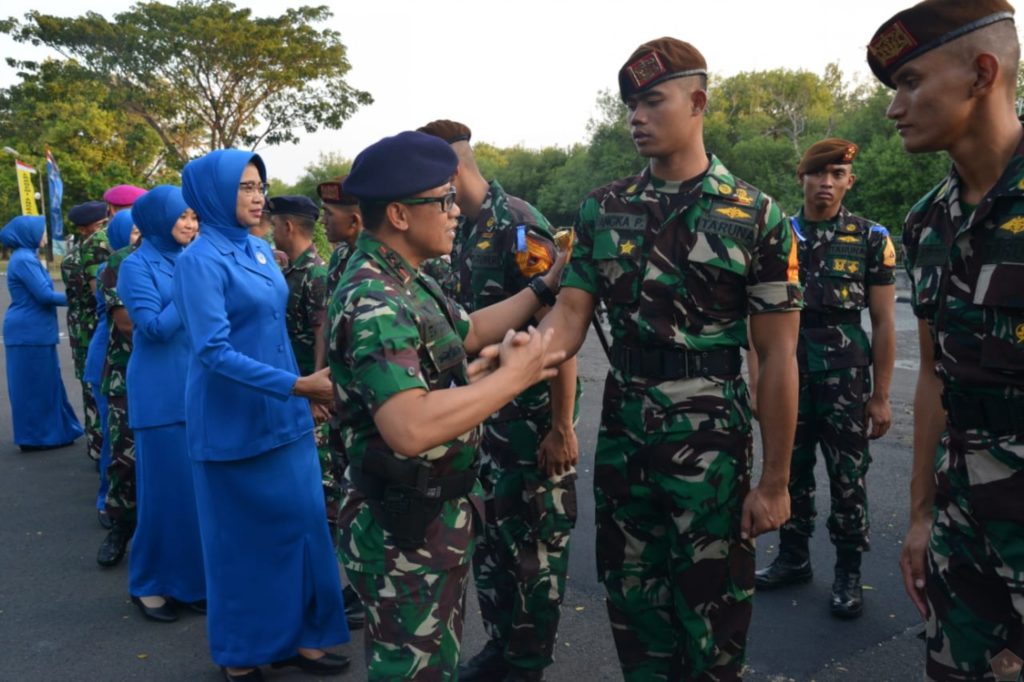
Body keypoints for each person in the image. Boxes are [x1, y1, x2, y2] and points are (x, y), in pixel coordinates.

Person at [535, 38, 804, 680]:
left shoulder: (758, 216)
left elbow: (777, 356)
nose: (636, 116)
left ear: (698, 102)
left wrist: (774, 481)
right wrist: (510, 362)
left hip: (712, 443)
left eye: (653, 100)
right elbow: (569, 317)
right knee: (633, 605)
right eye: (630, 104)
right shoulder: (605, 208)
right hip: (626, 436)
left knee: (714, 615)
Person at [328, 130, 568, 681]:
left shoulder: (407, 281)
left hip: (432, 517)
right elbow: (409, 427)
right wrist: (514, 377)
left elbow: (473, 330)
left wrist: (545, 286)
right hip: (402, 527)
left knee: (435, 664)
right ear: (399, 214)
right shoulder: (375, 298)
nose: (456, 209)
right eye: (442, 200)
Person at [867, 1, 1024, 678]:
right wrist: (921, 516)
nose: (895, 108)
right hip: (963, 521)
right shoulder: (928, 220)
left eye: (910, 83)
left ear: (981, 73)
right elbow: (933, 374)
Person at [173, 148, 350, 682]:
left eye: (260, 186)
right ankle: (241, 653)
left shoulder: (257, 250)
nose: (257, 197)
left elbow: (274, 330)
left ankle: (305, 640)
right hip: (233, 422)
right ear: (211, 194)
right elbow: (213, 351)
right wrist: (298, 385)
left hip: (284, 417)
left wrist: (304, 392)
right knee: (240, 545)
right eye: (245, 187)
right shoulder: (197, 261)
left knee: (302, 530)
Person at [418, 119, 580, 682]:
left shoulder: (518, 224)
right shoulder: (456, 230)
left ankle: (527, 662)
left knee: (534, 552)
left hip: (529, 426)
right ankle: (502, 646)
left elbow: (557, 330)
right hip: (483, 421)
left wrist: (562, 426)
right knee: (491, 548)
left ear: (451, 169)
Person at [752, 138, 896, 619]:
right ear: (802, 178)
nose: (826, 184)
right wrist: (758, 383)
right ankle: (793, 558)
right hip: (789, 371)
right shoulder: (778, 234)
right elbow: (761, 319)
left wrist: (881, 396)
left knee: (847, 478)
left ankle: (849, 571)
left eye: (837, 175)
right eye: (818, 174)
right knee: (789, 470)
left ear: (849, 181)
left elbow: (885, 321)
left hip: (845, 381)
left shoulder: (870, 237)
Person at [118, 185, 205, 623]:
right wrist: (191, 290)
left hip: (197, 388)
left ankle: (189, 583)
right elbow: (150, 328)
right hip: (159, 392)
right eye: (181, 216)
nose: (190, 224)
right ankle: (149, 584)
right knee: (162, 496)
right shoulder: (135, 267)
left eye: (193, 216)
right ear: (156, 219)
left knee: (194, 497)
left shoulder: (191, 258)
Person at [264, 195, 343, 532]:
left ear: (288, 226)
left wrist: (315, 388)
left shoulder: (315, 273)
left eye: (274, 225)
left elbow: (321, 331)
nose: (271, 232)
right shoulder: (289, 270)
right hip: (294, 383)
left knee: (321, 470)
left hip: (311, 387)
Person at [1, 215, 84, 451]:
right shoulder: (25, 260)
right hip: (29, 331)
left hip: (31, 329)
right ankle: (39, 436)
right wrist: (81, 299)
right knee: (35, 386)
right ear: (28, 234)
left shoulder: (24, 257)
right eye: (42, 231)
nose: (45, 236)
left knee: (42, 384)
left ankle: (52, 432)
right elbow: (44, 295)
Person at [96, 210, 143, 568]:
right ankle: (119, 528)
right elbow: (127, 324)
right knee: (125, 456)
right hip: (128, 373)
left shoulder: (190, 257)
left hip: (181, 375)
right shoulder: (120, 262)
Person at [61, 200, 109, 463]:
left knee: (89, 385)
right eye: (101, 225)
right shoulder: (91, 254)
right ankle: (100, 446)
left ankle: (96, 444)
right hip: (89, 327)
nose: (105, 230)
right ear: (84, 229)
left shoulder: (72, 256)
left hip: (80, 324)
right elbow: (96, 294)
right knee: (95, 384)